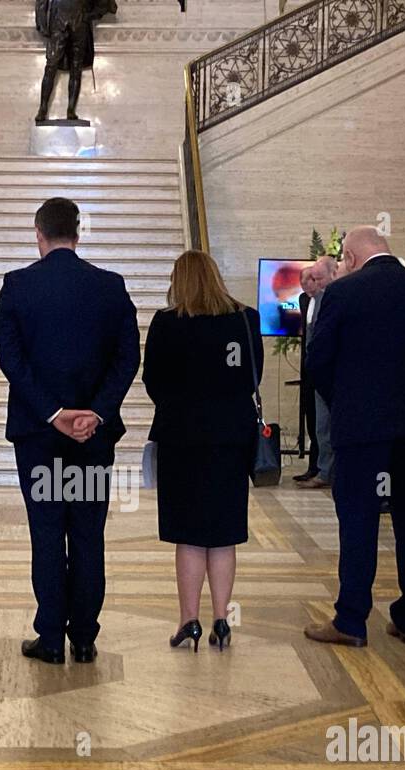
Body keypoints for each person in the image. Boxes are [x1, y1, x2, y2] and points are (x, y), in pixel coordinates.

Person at [0, 196, 140, 665]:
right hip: (92, 440)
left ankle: (51, 636)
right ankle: (85, 638)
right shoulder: (111, 287)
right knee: (88, 533)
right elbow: (127, 358)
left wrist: (53, 412)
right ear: (78, 233)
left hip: (39, 438)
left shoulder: (17, 287)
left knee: (47, 531)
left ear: (39, 234)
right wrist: (94, 412)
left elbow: (11, 360)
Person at [303, 226, 405, 648]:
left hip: (362, 428)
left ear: (350, 256)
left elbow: (318, 361)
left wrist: (344, 400)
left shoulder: (343, 294)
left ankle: (351, 620)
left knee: (359, 520)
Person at [143, 251, 263, 653]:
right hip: (231, 439)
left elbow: (153, 381)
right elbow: (252, 377)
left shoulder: (167, 323)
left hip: (182, 440)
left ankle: (188, 620)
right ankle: (221, 621)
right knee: (224, 534)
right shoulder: (245, 320)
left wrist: (182, 404)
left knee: (189, 535)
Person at [299, 255, 338, 491]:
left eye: (317, 278)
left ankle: (328, 472)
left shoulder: (335, 298)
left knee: (327, 425)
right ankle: (323, 470)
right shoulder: (309, 300)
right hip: (316, 371)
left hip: (329, 373)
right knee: (320, 425)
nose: (312, 282)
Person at [294, 266, 320, 482]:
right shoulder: (303, 300)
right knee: (311, 416)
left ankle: (322, 466)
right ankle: (313, 464)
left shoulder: (326, 299)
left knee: (322, 420)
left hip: (320, 367)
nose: (306, 286)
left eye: (309, 281)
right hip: (307, 366)